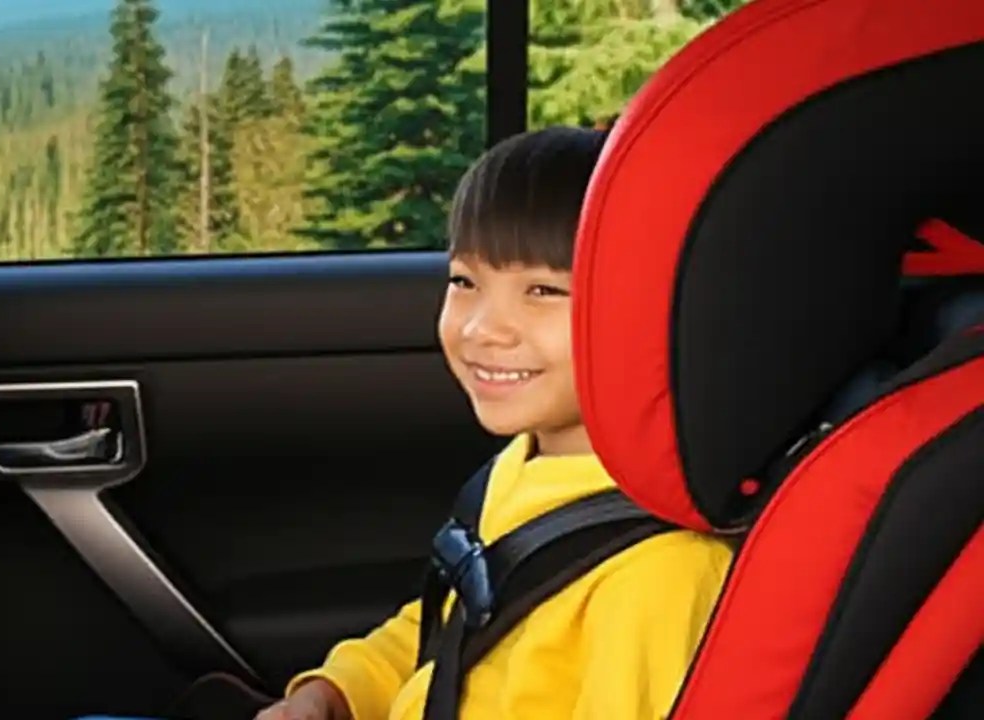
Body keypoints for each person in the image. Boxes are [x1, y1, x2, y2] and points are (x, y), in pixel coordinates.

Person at [254, 126, 734, 720]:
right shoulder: (528, 467)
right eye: (464, 281)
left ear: (647, 309)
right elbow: (455, 634)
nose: (483, 327)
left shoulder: (660, 576)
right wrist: (335, 693)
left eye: (542, 289)